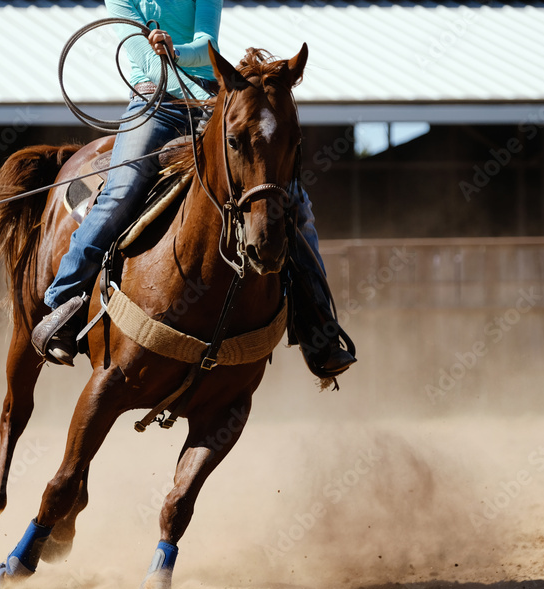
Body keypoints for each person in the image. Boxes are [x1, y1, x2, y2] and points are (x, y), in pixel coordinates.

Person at [32, 0, 355, 379]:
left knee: (294, 201)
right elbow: (150, 63)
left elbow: (206, 45)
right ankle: (64, 303)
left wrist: (182, 55)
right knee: (122, 191)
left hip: (209, 99)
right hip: (154, 105)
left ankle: (317, 325)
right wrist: (174, 61)